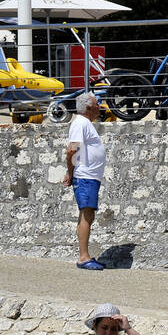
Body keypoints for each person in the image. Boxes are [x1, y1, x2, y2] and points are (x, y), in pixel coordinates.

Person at [64, 92, 106, 270]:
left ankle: (85, 255)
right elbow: (72, 150)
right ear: (88, 107)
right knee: (86, 214)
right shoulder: (80, 123)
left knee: (88, 214)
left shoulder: (85, 123)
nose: (100, 107)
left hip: (89, 176)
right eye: (97, 104)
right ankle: (83, 257)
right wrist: (70, 173)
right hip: (85, 176)